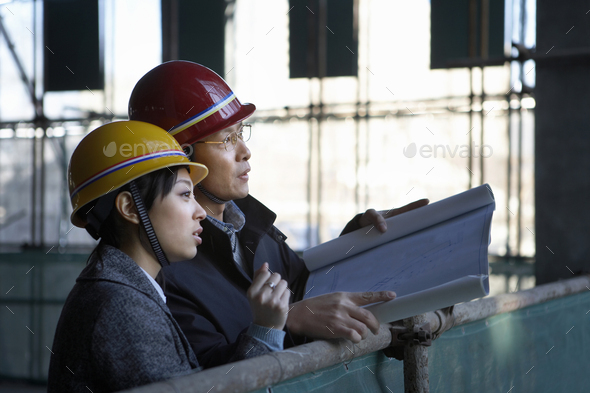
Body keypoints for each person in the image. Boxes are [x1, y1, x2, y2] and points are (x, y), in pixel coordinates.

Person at [128, 61, 429, 368]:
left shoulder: (254, 228)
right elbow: (206, 380)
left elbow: (308, 291)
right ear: (181, 157)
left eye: (240, 133)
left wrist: (357, 242)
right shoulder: (163, 270)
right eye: (227, 139)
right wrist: (286, 320)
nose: (245, 151)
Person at [48, 120, 291, 392]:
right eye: (185, 194)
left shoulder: (128, 290)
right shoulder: (121, 306)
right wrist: (265, 332)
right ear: (130, 207)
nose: (200, 212)